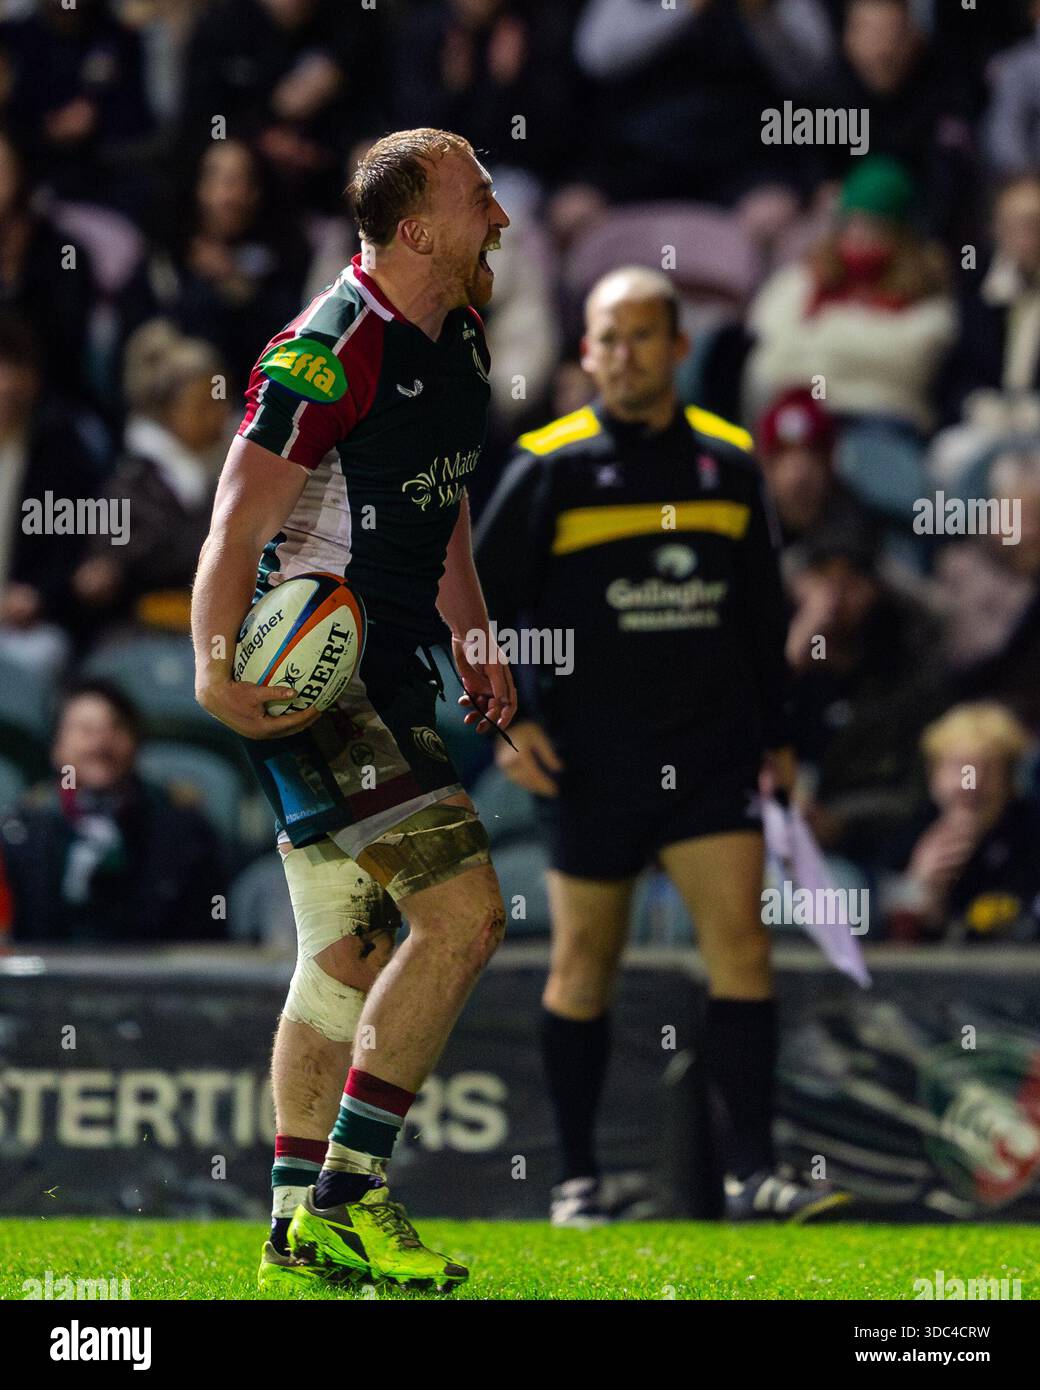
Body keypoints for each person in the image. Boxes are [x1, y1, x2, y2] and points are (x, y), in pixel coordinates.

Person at [191, 128, 513, 1293]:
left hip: (395, 667)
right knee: (466, 915)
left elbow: (444, 498)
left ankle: (293, 1217)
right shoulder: (325, 352)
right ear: (419, 227)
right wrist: (212, 670)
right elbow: (235, 521)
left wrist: (471, 632)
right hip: (319, 680)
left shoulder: (460, 334)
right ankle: (349, 1194)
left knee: (347, 947)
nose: (502, 218)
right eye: (482, 198)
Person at [474, 265, 848, 1226]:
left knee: (744, 953)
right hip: (592, 762)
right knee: (582, 968)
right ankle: (576, 1182)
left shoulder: (729, 465)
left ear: (680, 348)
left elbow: (762, 620)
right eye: (607, 337)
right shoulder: (549, 465)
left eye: (644, 336)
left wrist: (783, 741)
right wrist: (508, 721)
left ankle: (753, 1174)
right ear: (585, 351)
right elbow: (473, 603)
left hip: (712, 752)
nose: (625, 354)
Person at [0, 679, 226, 943]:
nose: (101, 743)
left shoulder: (184, 832)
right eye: (85, 730)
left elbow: (206, 935)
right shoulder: (21, 834)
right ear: (57, 748)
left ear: (135, 742)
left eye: (115, 728)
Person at [73, 320, 228, 641]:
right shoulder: (133, 482)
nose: (219, 413)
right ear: (168, 413)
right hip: (140, 635)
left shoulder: (237, 474)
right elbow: (101, 568)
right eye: (202, 405)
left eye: (221, 398)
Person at [884, 703, 1040, 943]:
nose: (971, 786)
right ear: (934, 776)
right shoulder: (906, 835)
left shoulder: (1030, 836)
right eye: (961, 769)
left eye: (986, 770)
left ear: (1009, 781)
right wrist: (919, 887)